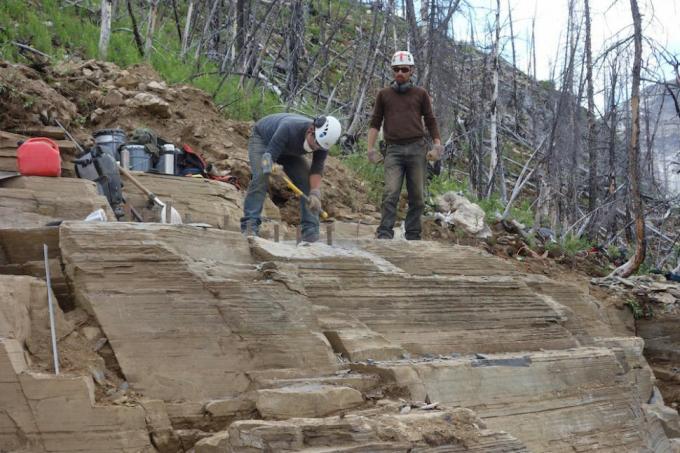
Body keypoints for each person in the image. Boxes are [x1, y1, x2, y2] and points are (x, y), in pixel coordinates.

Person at [366, 50, 443, 240]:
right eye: (396, 70)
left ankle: (413, 234)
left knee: (417, 195)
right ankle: (384, 232)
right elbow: (375, 122)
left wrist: (437, 145)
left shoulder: (421, 94)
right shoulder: (384, 95)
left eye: (404, 69)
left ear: (411, 71)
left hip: (417, 149)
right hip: (393, 150)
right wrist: (370, 149)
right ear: (392, 71)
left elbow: (430, 120)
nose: (400, 73)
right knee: (390, 192)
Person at [240, 113, 342, 242]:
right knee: (261, 176)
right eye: (316, 144)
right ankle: (250, 226)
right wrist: (270, 167)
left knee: (307, 182)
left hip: (288, 151)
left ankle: (310, 232)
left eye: (320, 147)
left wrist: (315, 193)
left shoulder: (322, 143)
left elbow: (316, 169)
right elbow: (268, 157)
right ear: (311, 130)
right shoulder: (289, 127)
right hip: (263, 140)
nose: (317, 148)